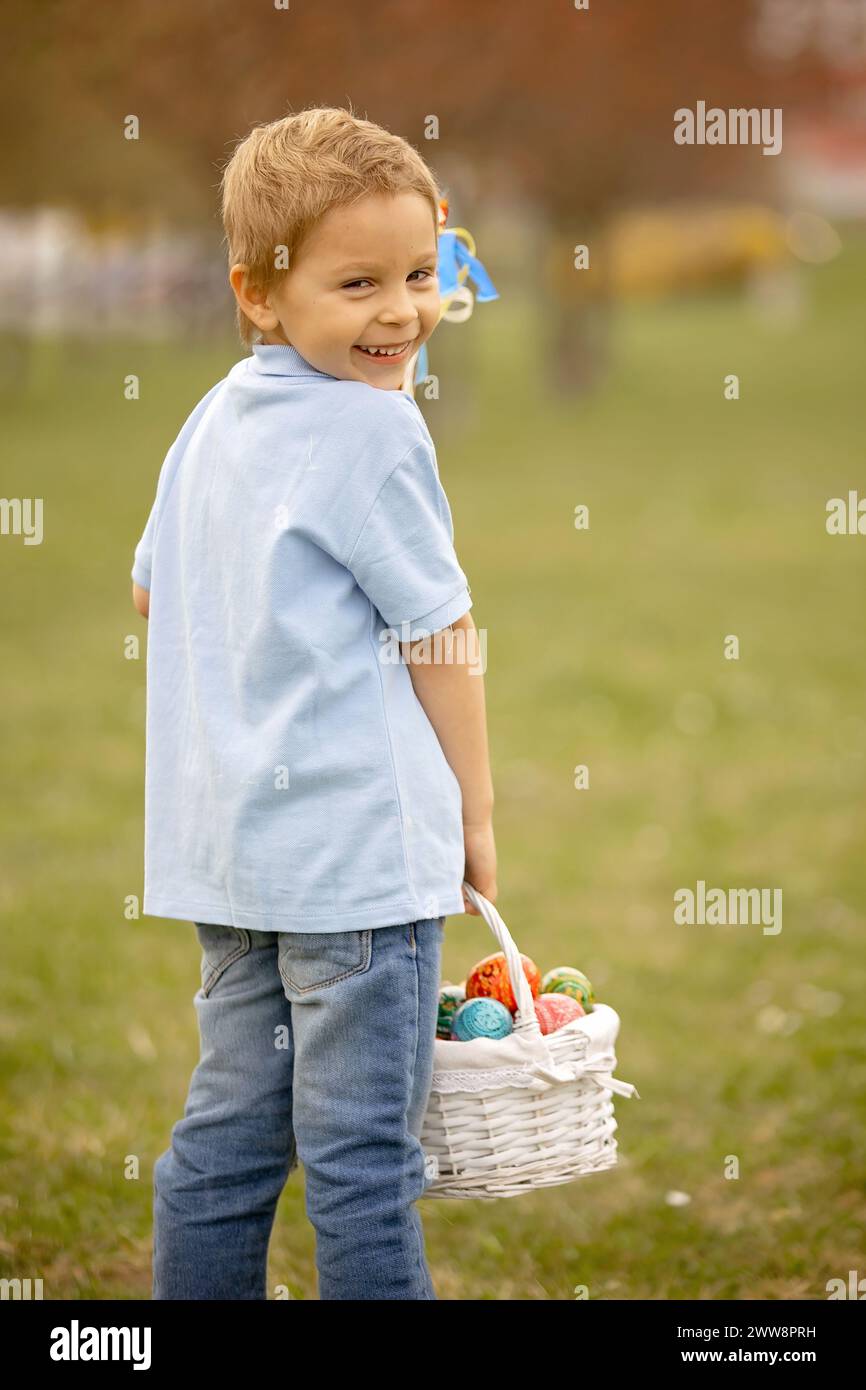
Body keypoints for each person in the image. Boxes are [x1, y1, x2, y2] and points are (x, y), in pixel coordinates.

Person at [130, 106, 497, 1300]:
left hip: (232, 861)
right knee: (360, 1169)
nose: (401, 311)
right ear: (257, 291)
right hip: (354, 867)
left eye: (419, 274)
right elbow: (440, 633)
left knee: (225, 1142)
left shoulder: (215, 416)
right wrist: (475, 819)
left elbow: (150, 594)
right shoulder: (373, 427)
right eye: (356, 284)